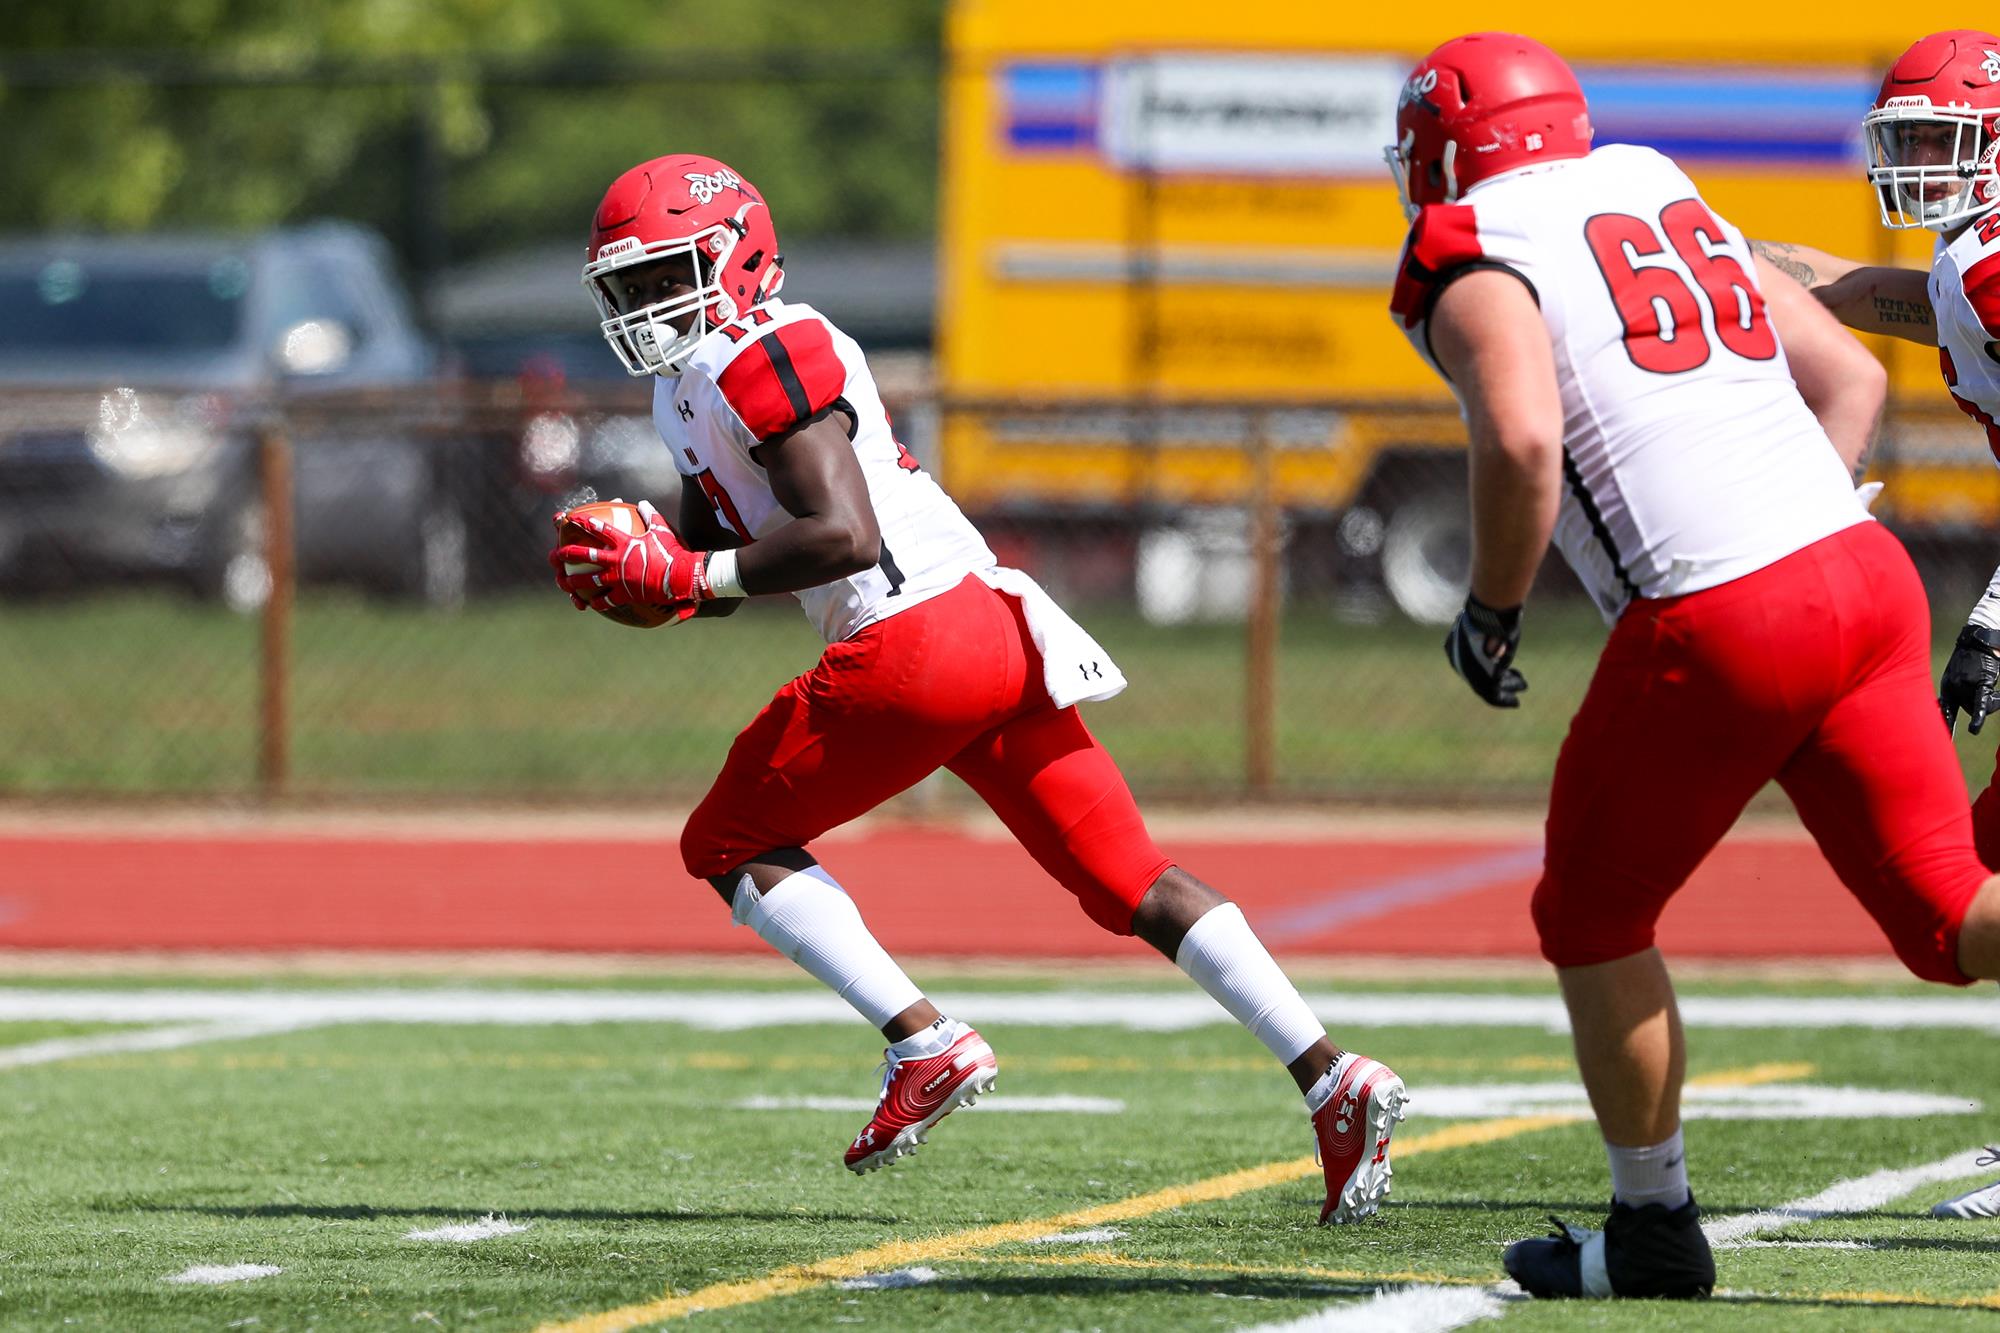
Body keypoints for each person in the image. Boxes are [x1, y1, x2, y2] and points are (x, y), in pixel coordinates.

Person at [546, 154, 1406, 1224]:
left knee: (722, 842)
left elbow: (842, 535)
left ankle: (921, 1037)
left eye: (662, 276)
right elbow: (721, 560)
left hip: (915, 638)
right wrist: (649, 576)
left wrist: (690, 574)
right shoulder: (689, 385)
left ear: (735, 259)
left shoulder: (766, 348)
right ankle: (1331, 1076)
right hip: (985, 633)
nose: (642, 307)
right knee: (1130, 880)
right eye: (624, 288)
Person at [1384, 32, 2000, 1298]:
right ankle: (1648, 1226)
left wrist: (1491, 607)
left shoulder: (1466, 244)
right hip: (1857, 566)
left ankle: (1653, 1226)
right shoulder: (1648, 178)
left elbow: (1516, 434)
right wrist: (1785, 531)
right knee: (1952, 921)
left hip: (1723, 607)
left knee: (1589, 913)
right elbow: (1844, 369)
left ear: (1447, 147)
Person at [1745, 29, 2000, 1222]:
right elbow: (1862, 292)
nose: (1913, 165)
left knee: (1969, 893)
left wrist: (1994, 613)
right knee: (1967, 895)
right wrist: (1705, 252)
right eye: (1900, 141)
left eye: (1935, 143)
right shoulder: (1971, 262)